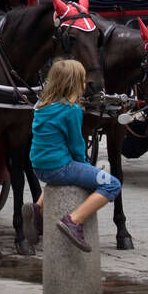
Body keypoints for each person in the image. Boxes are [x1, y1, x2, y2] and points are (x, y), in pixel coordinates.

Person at [30, 58, 121, 252]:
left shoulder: (40, 105)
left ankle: (37, 210)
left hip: (39, 166)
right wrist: (85, 166)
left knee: (60, 172)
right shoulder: (71, 110)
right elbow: (76, 144)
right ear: (75, 83)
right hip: (60, 167)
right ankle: (73, 221)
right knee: (112, 184)